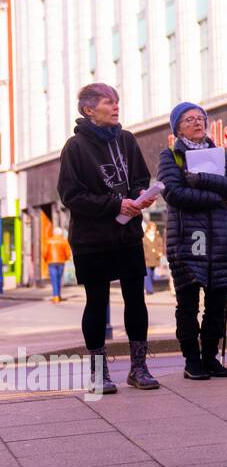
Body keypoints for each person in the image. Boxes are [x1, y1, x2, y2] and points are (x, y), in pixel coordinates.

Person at [56, 83, 159, 393]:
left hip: (127, 233)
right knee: (97, 302)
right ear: (89, 110)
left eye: (117, 102)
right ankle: (99, 374)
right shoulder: (74, 147)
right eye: (108, 102)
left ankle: (138, 368)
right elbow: (71, 196)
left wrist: (142, 195)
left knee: (135, 299)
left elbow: (140, 177)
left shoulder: (127, 140)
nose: (116, 107)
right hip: (91, 239)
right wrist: (116, 203)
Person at [158, 102, 227, 380]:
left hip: (219, 238)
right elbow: (174, 194)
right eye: (188, 120)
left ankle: (210, 358)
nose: (197, 123)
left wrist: (201, 180)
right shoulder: (171, 155)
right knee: (188, 304)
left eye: (200, 118)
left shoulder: (219, 154)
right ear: (178, 128)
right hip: (187, 239)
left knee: (218, 303)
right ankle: (192, 361)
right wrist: (216, 195)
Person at [44, 228, 72, 303]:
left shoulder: (49, 241)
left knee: (54, 279)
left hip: (51, 262)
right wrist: (65, 259)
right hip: (61, 262)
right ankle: (58, 295)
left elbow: (45, 252)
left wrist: (46, 259)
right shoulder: (63, 241)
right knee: (59, 279)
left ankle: (56, 296)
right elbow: (68, 253)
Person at [142, 220, 164, 294]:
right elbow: (143, 248)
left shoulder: (157, 237)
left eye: (154, 229)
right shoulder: (144, 238)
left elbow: (160, 245)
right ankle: (149, 289)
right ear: (148, 229)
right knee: (147, 274)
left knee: (152, 274)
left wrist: (159, 252)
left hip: (155, 258)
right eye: (152, 229)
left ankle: (149, 287)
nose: (153, 230)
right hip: (147, 259)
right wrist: (146, 255)